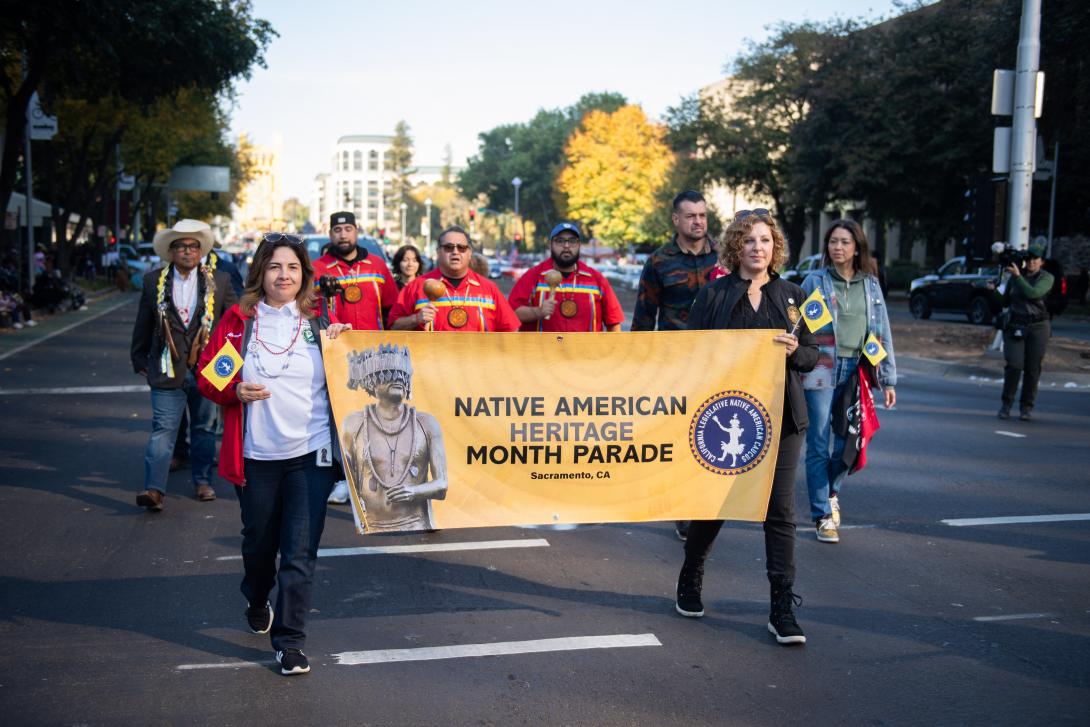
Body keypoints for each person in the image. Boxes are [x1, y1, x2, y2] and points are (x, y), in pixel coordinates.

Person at [197, 233, 352, 676]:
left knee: (299, 552)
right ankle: (256, 593)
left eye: (292, 268)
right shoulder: (238, 321)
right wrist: (234, 389)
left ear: (304, 274)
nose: (284, 275)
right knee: (259, 545)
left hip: (312, 455)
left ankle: (289, 642)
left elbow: (352, 373)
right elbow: (209, 377)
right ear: (260, 273)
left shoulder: (321, 321)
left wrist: (345, 344)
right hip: (256, 457)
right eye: (274, 267)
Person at [675, 208, 818, 646]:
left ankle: (781, 605)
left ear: (776, 248)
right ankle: (692, 570)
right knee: (718, 503)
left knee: (780, 514)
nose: (759, 248)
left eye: (766, 241)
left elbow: (813, 356)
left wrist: (796, 351)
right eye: (751, 240)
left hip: (784, 420)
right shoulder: (714, 295)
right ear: (737, 246)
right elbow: (691, 353)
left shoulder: (795, 295)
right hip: (725, 418)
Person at [800, 220, 896, 544]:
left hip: (856, 370)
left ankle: (832, 491)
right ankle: (822, 515)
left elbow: (881, 332)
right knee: (817, 442)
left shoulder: (870, 285)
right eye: (832, 242)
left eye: (844, 242)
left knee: (848, 444)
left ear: (857, 247)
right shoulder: (815, 280)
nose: (837, 247)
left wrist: (887, 378)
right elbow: (801, 326)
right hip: (821, 369)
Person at [131, 219, 237, 510]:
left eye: (193, 246)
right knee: (163, 428)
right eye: (181, 246)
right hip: (167, 370)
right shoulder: (154, 281)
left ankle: (203, 482)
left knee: (204, 428)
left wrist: (230, 361)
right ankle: (154, 489)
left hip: (207, 370)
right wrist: (138, 358)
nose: (188, 251)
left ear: (201, 251)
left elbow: (235, 322)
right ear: (171, 251)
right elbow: (144, 322)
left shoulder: (221, 280)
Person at [633, 190, 718, 541]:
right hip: (676, 365)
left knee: (715, 434)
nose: (698, 221)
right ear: (676, 220)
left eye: (702, 215)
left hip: (722, 361)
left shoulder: (725, 255)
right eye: (691, 216)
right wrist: (639, 366)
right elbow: (643, 317)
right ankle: (686, 509)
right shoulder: (659, 261)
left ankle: (714, 502)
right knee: (684, 439)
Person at [313, 211, 398, 504]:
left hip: (374, 354)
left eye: (348, 229)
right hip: (335, 355)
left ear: (357, 231)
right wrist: (317, 293)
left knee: (377, 417)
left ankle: (375, 477)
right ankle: (343, 477)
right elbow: (304, 306)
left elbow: (392, 308)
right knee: (340, 418)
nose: (343, 235)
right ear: (330, 234)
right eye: (337, 230)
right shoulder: (317, 267)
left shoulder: (376, 265)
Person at [342, 344, 448, 531]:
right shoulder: (354, 424)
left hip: (416, 523)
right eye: (390, 373)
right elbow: (348, 479)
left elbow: (442, 485)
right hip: (369, 524)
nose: (398, 378)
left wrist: (413, 491)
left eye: (402, 374)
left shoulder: (427, 423)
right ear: (372, 382)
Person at [388, 226, 521, 332]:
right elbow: (393, 326)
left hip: (478, 364)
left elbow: (511, 329)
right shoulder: (417, 286)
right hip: (431, 364)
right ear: (438, 252)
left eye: (462, 248)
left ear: (469, 253)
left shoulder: (489, 288)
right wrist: (415, 319)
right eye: (448, 247)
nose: (455, 252)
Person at [508, 222, 624, 332]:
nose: (566, 246)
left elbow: (613, 322)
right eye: (560, 241)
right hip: (544, 352)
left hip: (587, 352)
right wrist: (538, 312)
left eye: (572, 241)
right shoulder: (534, 276)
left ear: (579, 245)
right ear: (550, 245)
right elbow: (510, 314)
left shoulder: (596, 280)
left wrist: (612, 352)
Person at [994, 243, 1053, 421]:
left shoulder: (1047, 277)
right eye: (1028, 259)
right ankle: (1006, 404)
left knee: (1032, 369)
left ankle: (1026, 407)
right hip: (1015, 325)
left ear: (1042, 261)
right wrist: (993, 290)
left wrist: (1018, 276)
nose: (1031, 262)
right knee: (1014, 365)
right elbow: (1004, 302)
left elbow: (1034, 294)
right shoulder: (1014, 276)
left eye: (1035, 259)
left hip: (1038, 327)